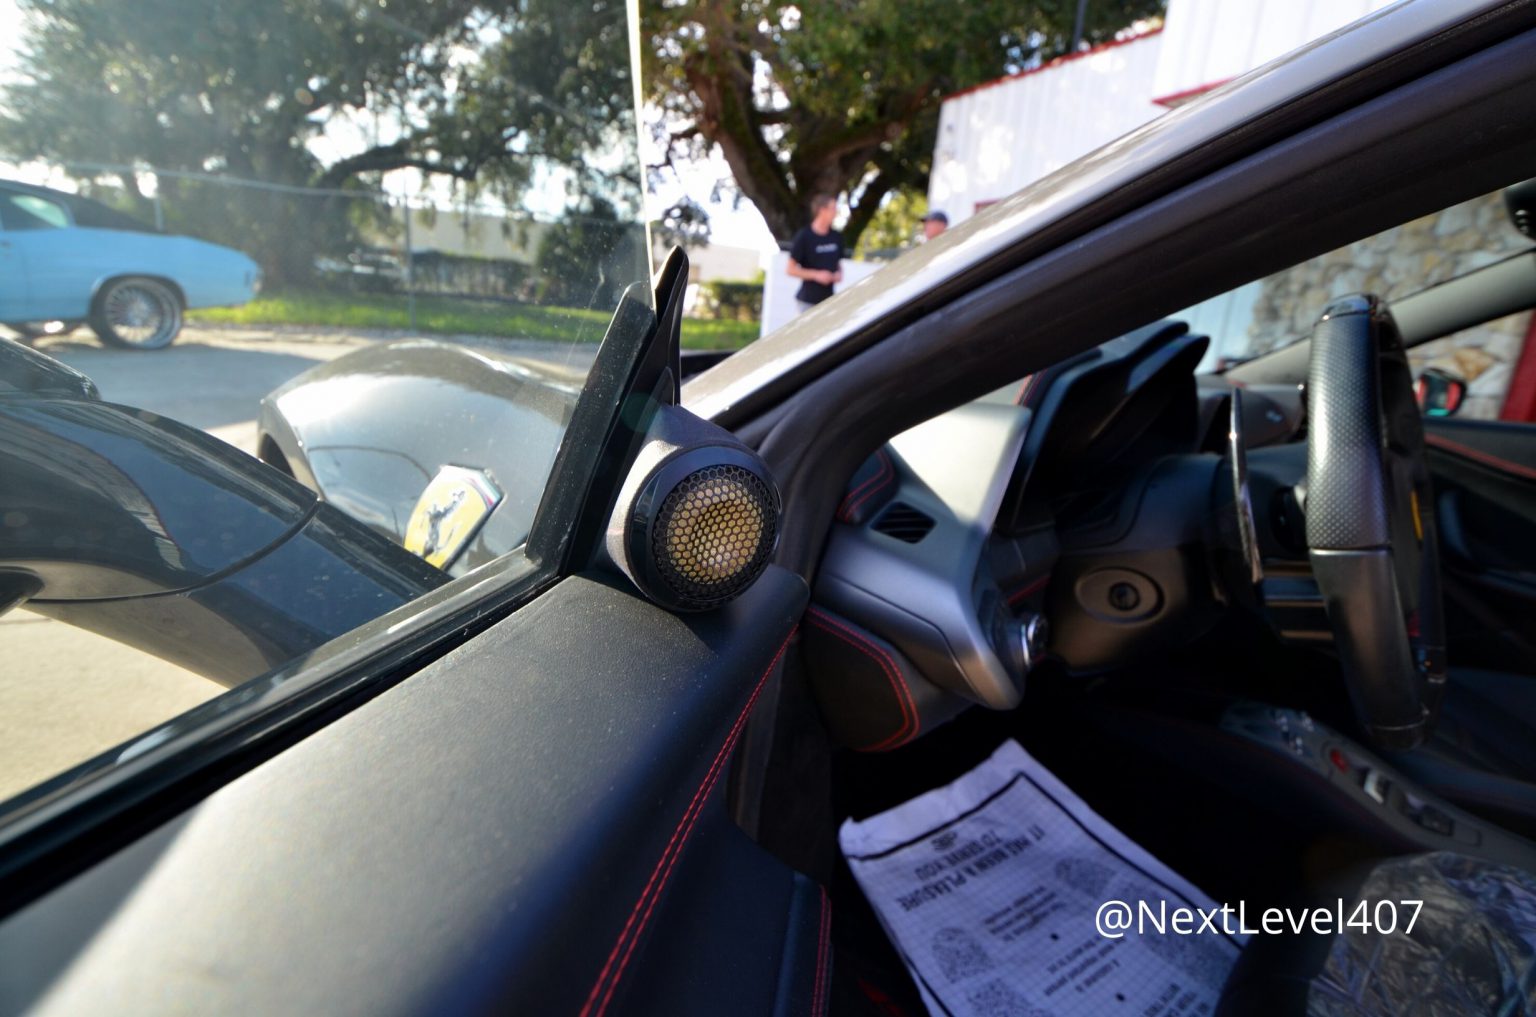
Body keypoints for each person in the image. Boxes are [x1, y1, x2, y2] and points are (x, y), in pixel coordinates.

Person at [786, 194, 845, 314]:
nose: (835, 212)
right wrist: (816, 275)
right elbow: (790, 269)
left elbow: (838, 264)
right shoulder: (804, 236)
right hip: (807, 303)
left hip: (829, 301)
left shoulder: (836, 237)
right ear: (822, 210)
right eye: (833, 208)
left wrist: (838, 274)